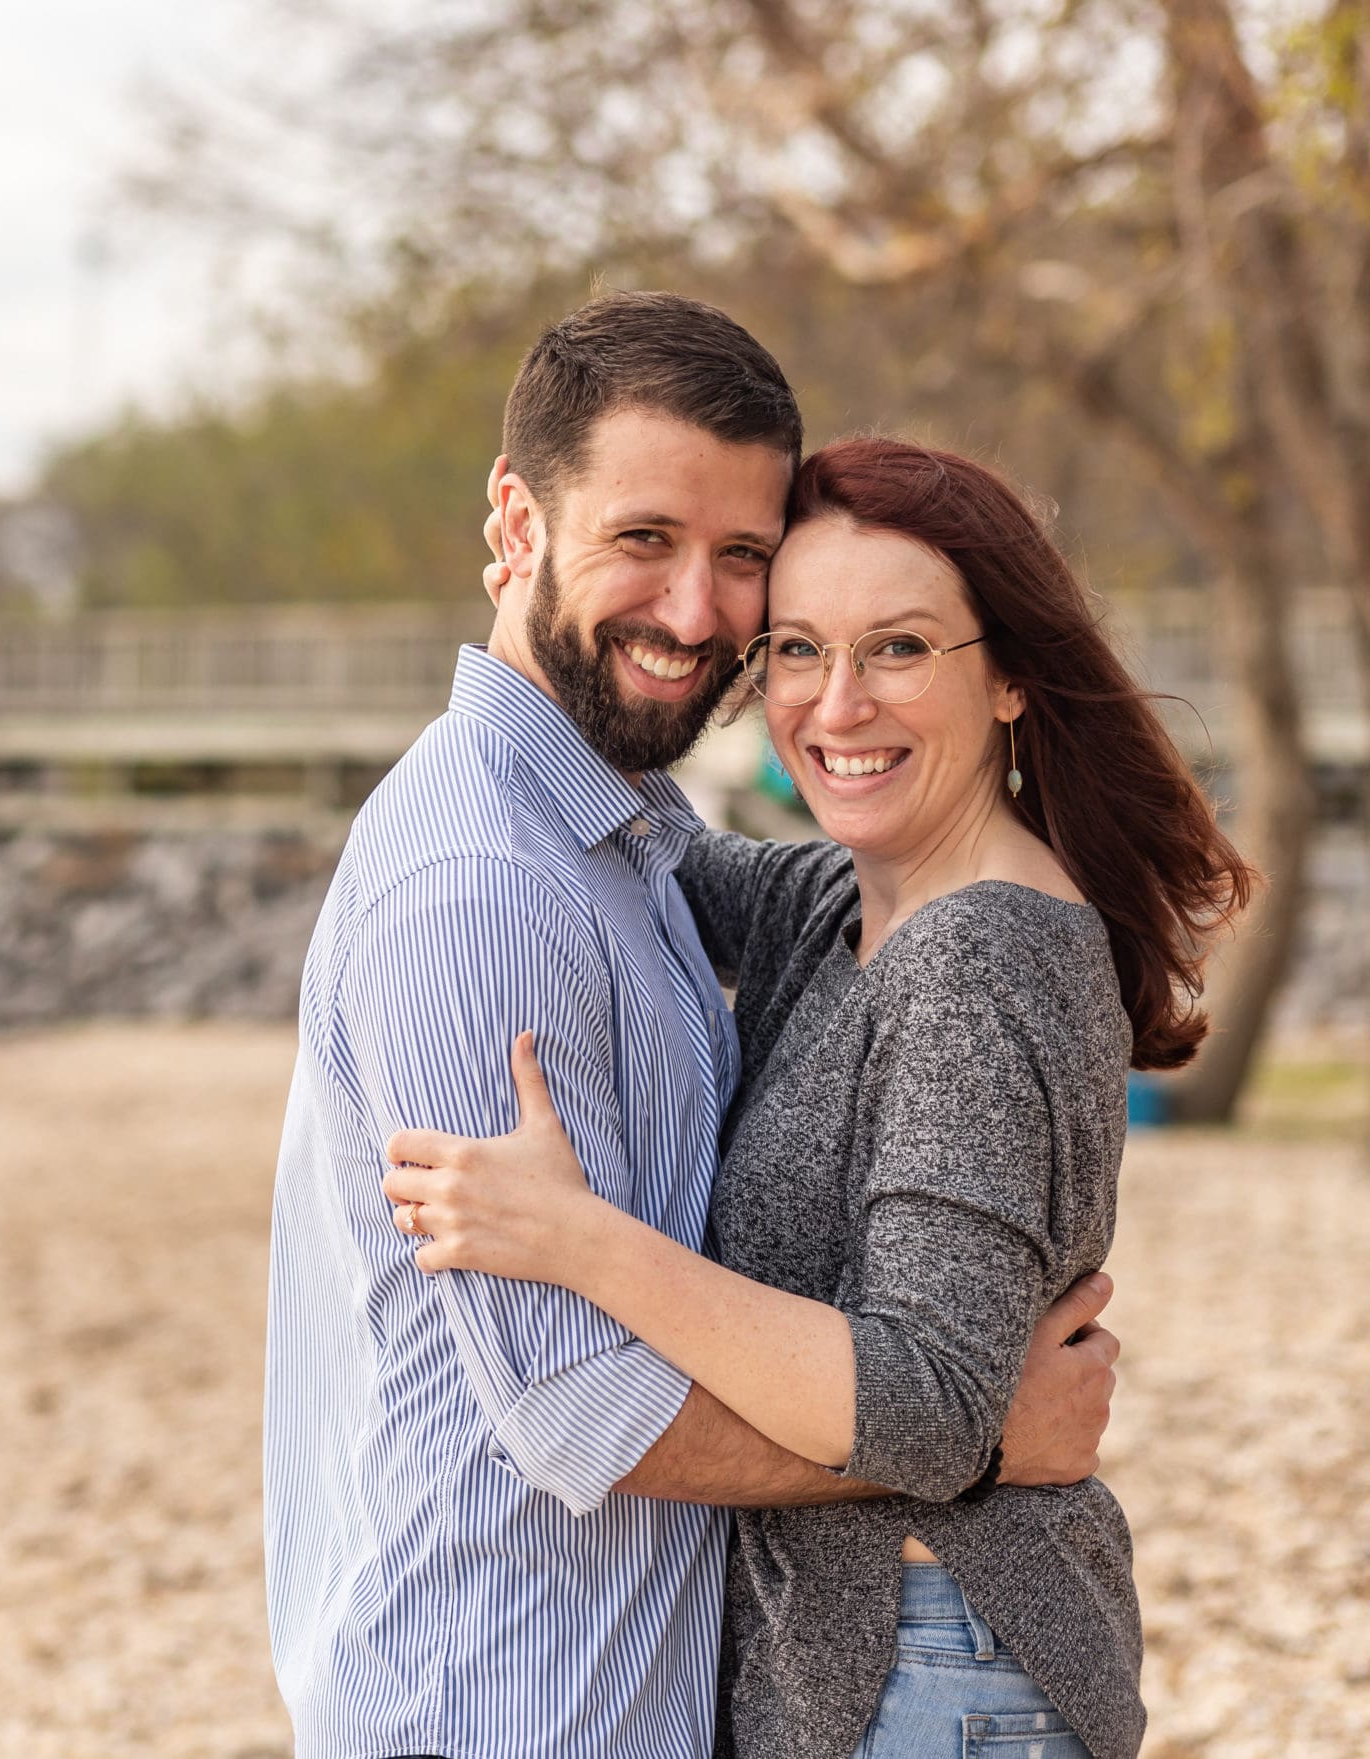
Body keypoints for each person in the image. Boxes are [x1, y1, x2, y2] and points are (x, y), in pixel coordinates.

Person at [261, 293, 1122, 1759]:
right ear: (516, 522)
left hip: (846, 1683)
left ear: (1010, 670)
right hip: (504, 1706)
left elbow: (906, 1378)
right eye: (645, 540)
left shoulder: (643, 846)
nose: (699, 617)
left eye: (740, 565)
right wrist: (982, 1445)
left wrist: (951, 1428)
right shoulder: (500, 877)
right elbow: (584, 1411)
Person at [381, 435, 1254, 1758]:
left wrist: (579, 1242)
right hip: (882, 1671)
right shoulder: (845, 899)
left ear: (1012, 676)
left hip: (940, 1672)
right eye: (795, 649)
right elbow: (634, 847)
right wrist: (541, 597)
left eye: (898, 648)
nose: (835, 706)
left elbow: (923, 1402)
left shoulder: (982, 957)